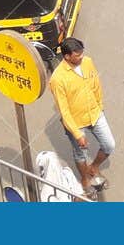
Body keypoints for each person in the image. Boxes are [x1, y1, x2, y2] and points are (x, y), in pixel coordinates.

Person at [48, 38, 115, 192]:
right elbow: (64, 111)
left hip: (95, 113)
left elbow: (96, 84)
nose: (81, 57)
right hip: (76, 122)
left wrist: (99, 105)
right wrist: (78, 134)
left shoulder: (87, 62)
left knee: (109, 145)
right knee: (80, 154)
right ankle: (85, 178)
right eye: (77, 55)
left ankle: (94, 168)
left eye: (82, 53)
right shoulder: (57, 79)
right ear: (67, 56)